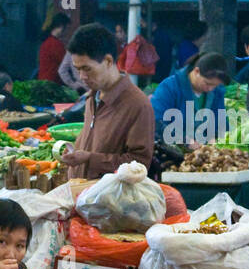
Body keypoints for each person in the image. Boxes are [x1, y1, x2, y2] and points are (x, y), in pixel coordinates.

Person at [61, 23, 155, 178]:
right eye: (78, 69)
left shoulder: (138, 105)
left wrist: (90, 159)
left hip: (109, 193)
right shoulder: (92, 97)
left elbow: (139, 164)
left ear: (108, 61)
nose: (82, 77)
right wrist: (75, 151)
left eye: (87, 69)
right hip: (81, 190)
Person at [150, 51, 231, 145]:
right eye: (207, 83)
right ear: (196, 71)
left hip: (204, 150)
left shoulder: (217, 92)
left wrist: (216, 138)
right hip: (172, 149)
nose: (210, 89)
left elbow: (222, 125)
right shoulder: (169, 87)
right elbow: (156, 123)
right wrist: (185, 141)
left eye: (215, 85)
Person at [37, 13, 70, 83]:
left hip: (43, 80)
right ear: (61, 27)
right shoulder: (55, 44)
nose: (66, 32)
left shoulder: (47, 41)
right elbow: (67, 62)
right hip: (51, 82)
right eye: (66, 29)